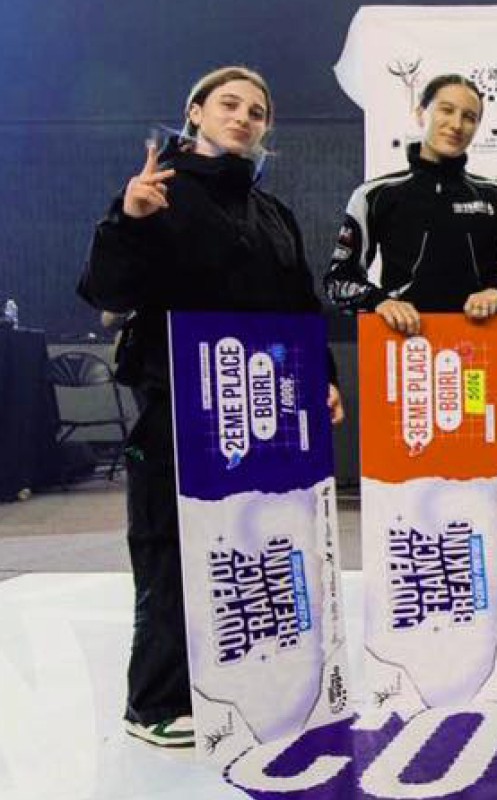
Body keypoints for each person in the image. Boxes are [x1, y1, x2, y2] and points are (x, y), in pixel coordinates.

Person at [77, 67, 344, 747]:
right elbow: (104, 290)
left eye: (257, 110)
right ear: (195, 112)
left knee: (256, 543)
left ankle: (252, 678)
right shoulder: (156, 193)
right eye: (229, 103)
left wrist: (322, 375)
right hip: (177, 405)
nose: (244, 117)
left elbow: (301, 305)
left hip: (261, 407)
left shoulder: (273, 213)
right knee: (169, 549)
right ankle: (154, 704)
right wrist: (127, 221)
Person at [325, 74, 497, 330]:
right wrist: (380, 302)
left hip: (482, 344)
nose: (456, 124)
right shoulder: (375, 195)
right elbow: (338, 281)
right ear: (421, 114)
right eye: (446, 110)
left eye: (469, 117)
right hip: (406, 344)